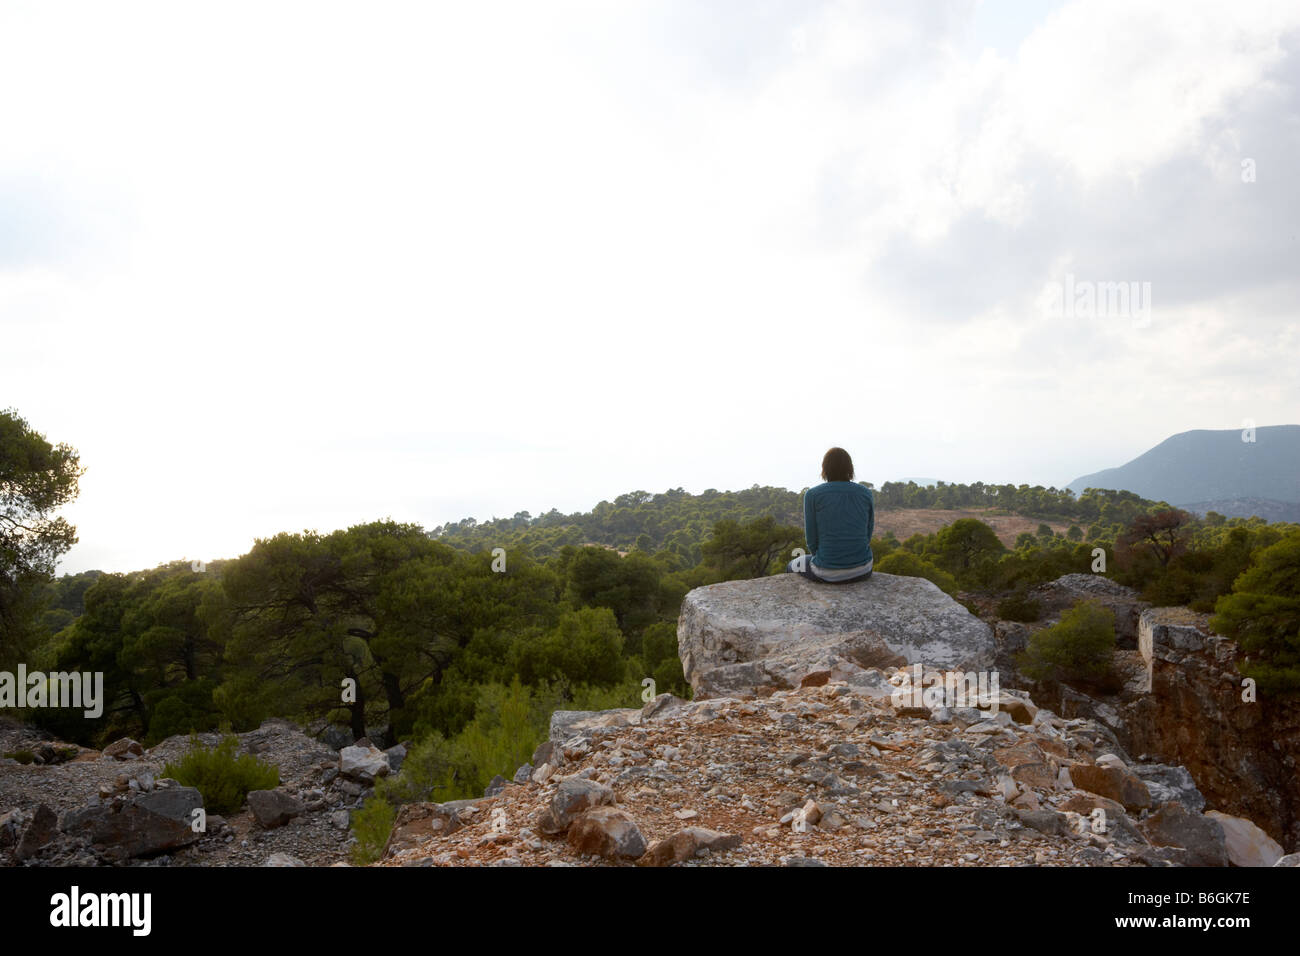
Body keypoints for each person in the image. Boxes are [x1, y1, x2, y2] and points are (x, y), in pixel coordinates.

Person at [785, 447, 874, 583]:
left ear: (825, 469)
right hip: (864, 569)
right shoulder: (866, 493)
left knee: (793, 564)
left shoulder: (813, 495)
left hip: (827, 572)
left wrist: (827, 559)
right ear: (850, 468)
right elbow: (868, 532)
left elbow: (811, 540)